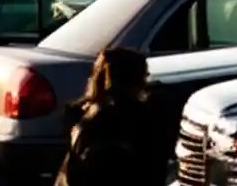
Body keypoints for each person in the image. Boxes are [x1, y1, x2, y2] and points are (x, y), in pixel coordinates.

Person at [56, 48, 169, 186]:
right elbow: (152, 169)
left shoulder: (82, 116)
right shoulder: (137, 119)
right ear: (135, 80)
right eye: (145, 75)